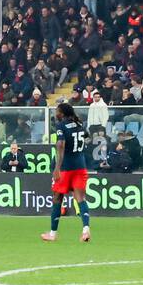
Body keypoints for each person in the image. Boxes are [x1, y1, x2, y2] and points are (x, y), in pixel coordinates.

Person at [42, 101, 90, 243]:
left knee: (57, 198)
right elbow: (86, 136)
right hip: (80, 166)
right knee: (81, 198)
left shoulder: (61, 126)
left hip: (66, 168)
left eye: (57, 111)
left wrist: (57, 168)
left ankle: (52, 233)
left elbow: (61, 145)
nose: (56, 114)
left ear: (61, 113)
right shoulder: (79, 124)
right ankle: (86, 230)